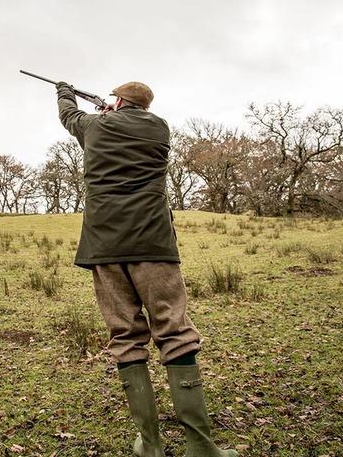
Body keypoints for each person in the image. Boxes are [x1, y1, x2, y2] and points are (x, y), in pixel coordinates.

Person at [56, 80, 236, 457]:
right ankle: (200, 447)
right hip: (153, 242)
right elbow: (119, 125)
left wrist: (64, 91)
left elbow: (69, 116)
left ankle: (151, 445)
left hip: (104, 246)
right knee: (174, 331)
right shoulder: (159, 127)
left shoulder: (94, 127)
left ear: (117, 101)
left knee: (125, 335)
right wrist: (109, 110)